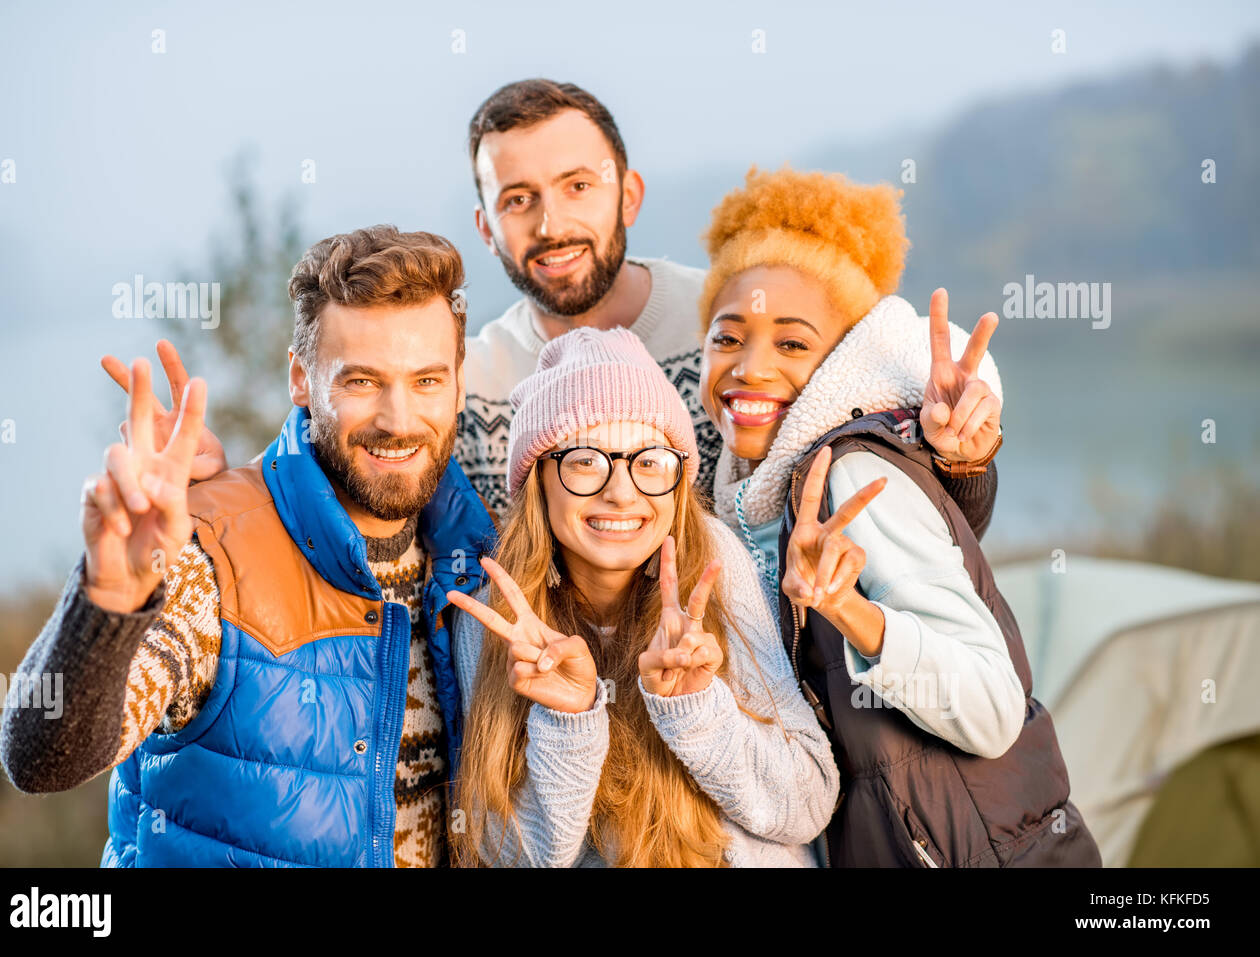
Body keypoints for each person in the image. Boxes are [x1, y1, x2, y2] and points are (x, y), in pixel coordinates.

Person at [0, 226, 498, 867]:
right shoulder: (207, 558)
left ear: (459, 383)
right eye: (362, 381)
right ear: (301, 378)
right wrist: (110, 595)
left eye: (426, 380)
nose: (399, 420)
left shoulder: (483, 561)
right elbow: (44, 760)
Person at [698, 166, 1102, 866]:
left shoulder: (852, 478)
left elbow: (992, 708)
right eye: (727, 338)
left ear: (842, 365)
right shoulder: (742, 492)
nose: (749, 367)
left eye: (792, 343)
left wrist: (852, 614)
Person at [456, 79, 1003, 514]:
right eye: (518, 199)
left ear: (628, 197)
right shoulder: (464, 386)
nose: (551, 225)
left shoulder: (747, 326)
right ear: (486, 228)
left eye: (578, 186)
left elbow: (906, 514)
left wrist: (962, 462)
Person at [445, 326, 843, 867]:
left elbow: (808, 806)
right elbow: (508, 856)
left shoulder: (716, 565)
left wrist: (697, 710)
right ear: (538, 480)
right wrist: (568, 721)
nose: (621, 491)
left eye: (650, 460)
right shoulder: (498, 617)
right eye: (585, 460)